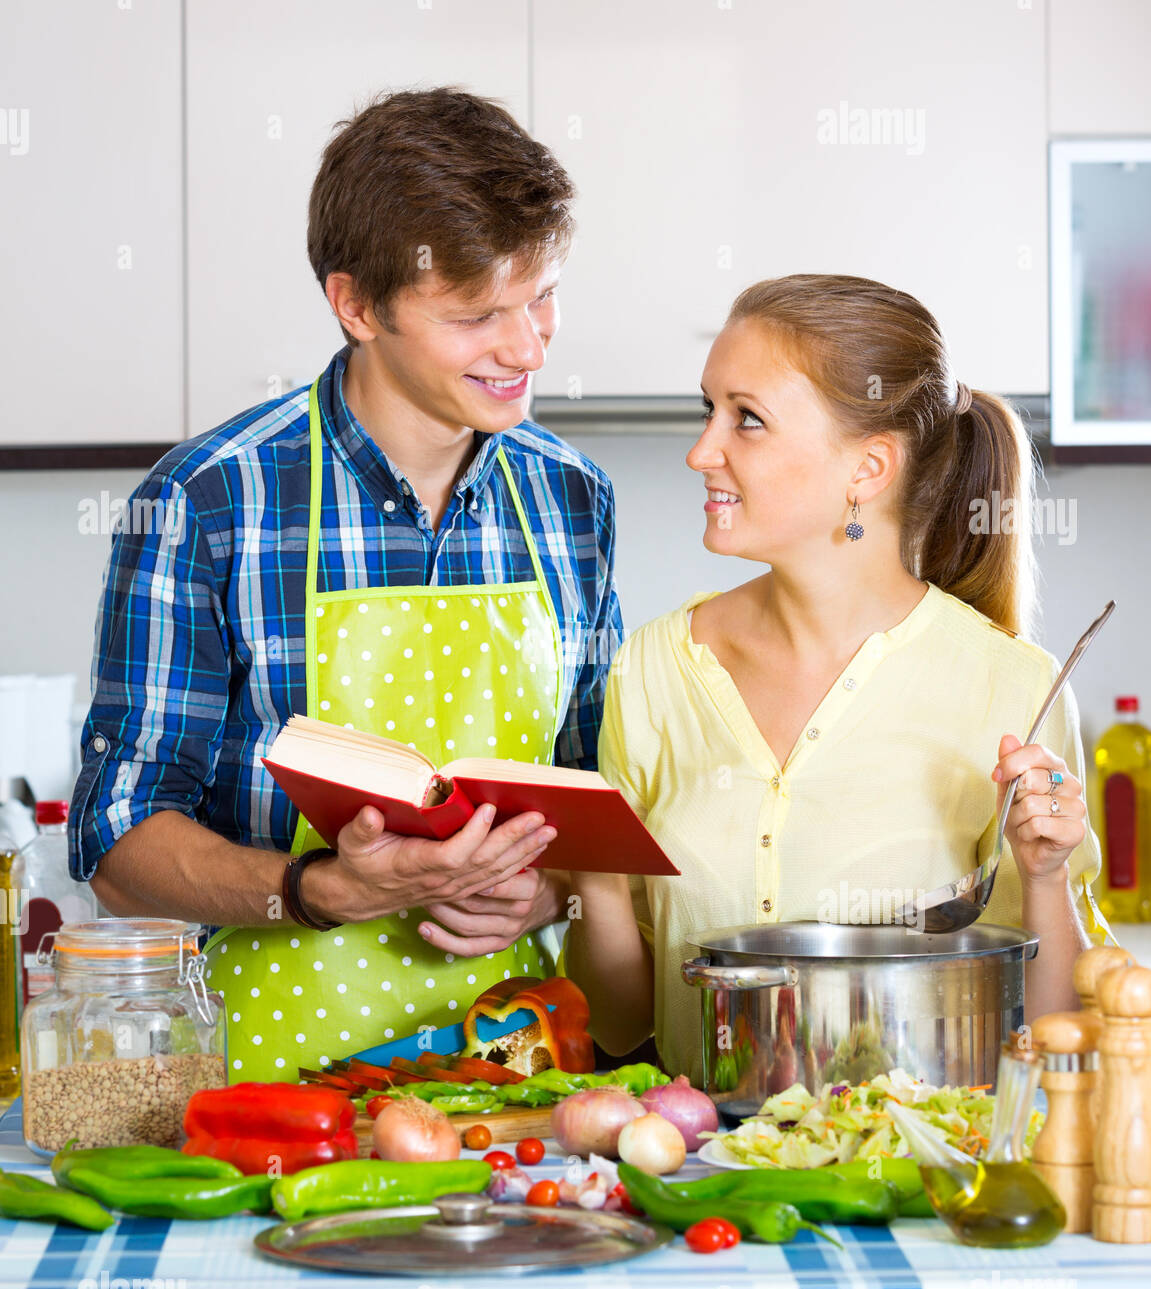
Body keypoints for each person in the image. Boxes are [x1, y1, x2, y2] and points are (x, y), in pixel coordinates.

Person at [69, 88, 623, 1081]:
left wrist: (545, 894)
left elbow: (597, 800)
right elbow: (118, 841)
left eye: (540, 297)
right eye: (475, 315)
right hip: (270, 1096)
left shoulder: (571, 498)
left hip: (526, 1083)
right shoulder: (209, 501)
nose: (528, 348)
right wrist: (317, 886)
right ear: (356, 304)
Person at [565, 273, 1112, 1083]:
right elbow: (617, 1025)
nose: (701, 450)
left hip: (921, 1187)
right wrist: (596, 882)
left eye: (746, 419)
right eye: (706, 409)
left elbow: (1055, 1028)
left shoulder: (1013, 689)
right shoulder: (652, 668)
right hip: (707, 1184)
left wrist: (1044, 873)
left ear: (868, 467)